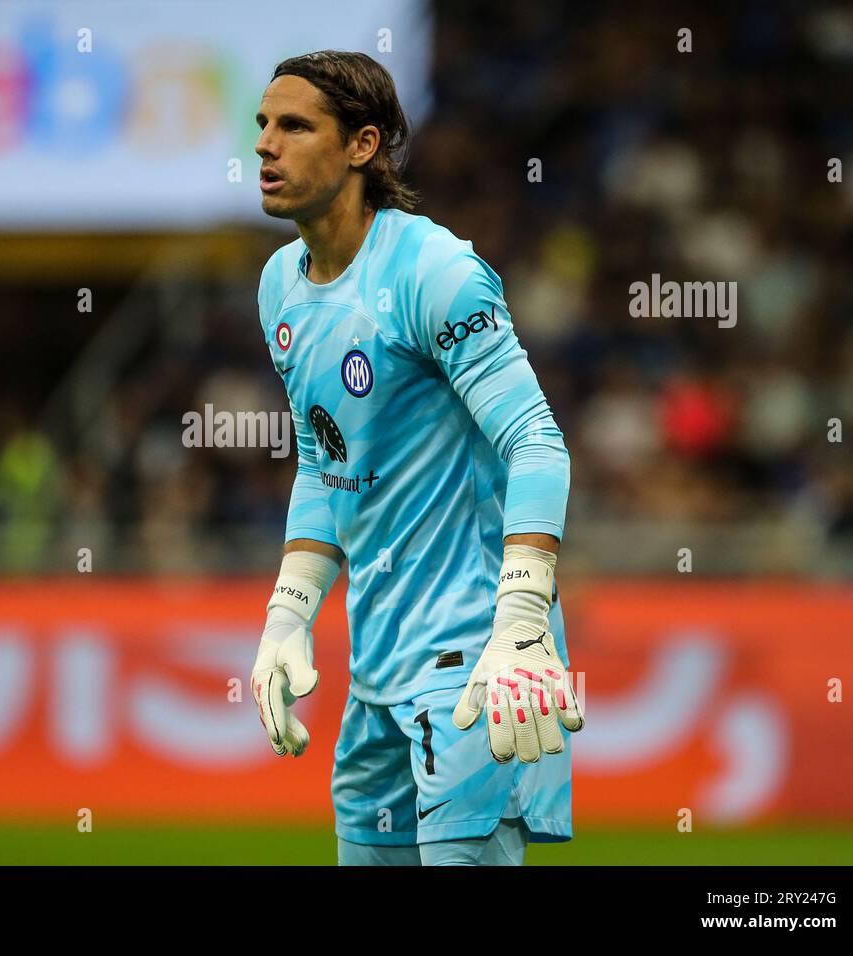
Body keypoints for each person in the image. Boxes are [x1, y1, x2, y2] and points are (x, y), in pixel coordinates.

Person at [249, 51, 584, 866]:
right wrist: (290, 614)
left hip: (475, 661)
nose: (266, 145)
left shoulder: (435, 273)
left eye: (295, 126)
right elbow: (325, 461)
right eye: (261, 124)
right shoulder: (280, 287)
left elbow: (537, 440)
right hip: (376, 669)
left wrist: (522, 621)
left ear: (363, 145)